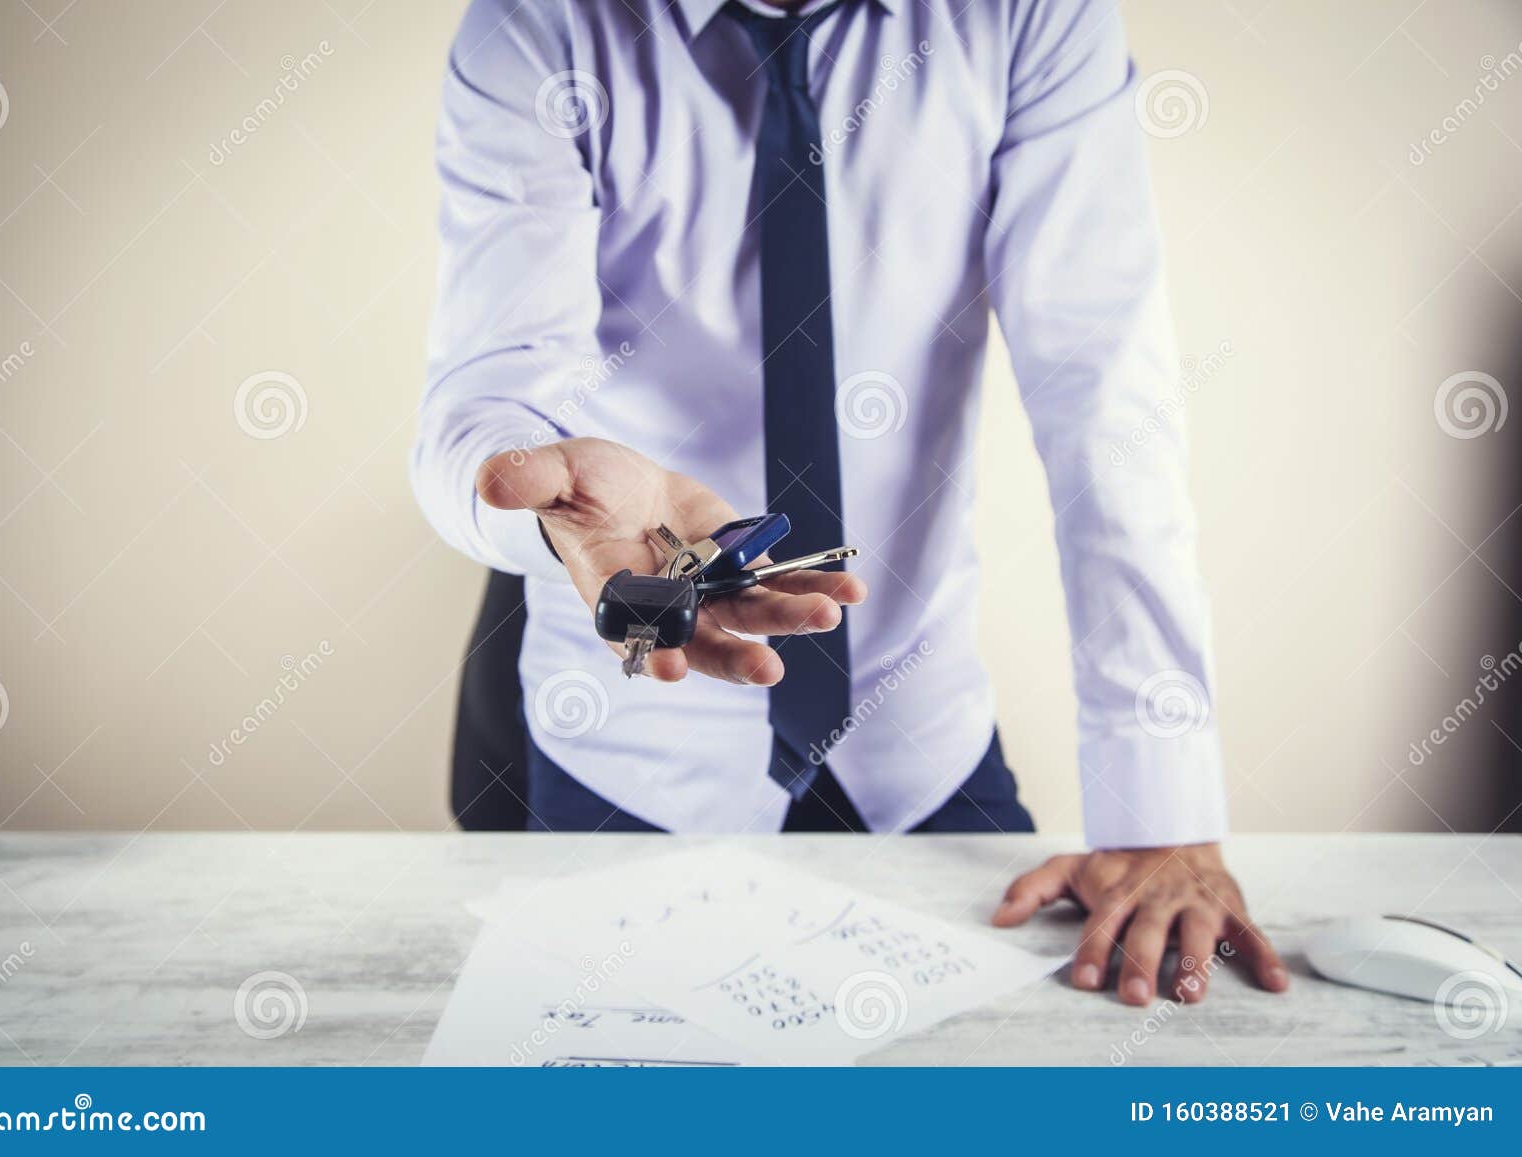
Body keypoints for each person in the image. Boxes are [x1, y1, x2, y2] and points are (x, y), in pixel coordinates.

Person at [413, 0, 1290, 1008]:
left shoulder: (1028, 17)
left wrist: (1159, 808)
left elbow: (1105, 394)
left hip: (915, 719)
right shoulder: (539, 25)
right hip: (634, 713)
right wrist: (545, 497)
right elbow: (490, 386)